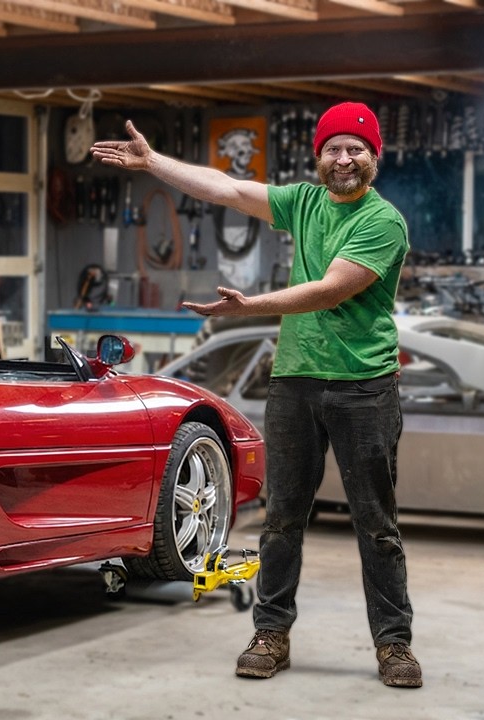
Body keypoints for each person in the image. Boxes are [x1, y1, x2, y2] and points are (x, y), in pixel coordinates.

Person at [91, 102, 420, 688]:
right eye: (333, 148)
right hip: (295, 381)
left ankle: (393, 644)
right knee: (282, 518)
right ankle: (271, 633)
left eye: (356, 148)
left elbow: (329, 291)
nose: (343, 159)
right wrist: (154, 163)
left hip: (364, 387)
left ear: (375, 157)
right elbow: (226, 187)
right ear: (317, 156)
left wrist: (250, 306)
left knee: (376, 523)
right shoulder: (305, 201)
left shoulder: (383, 221)